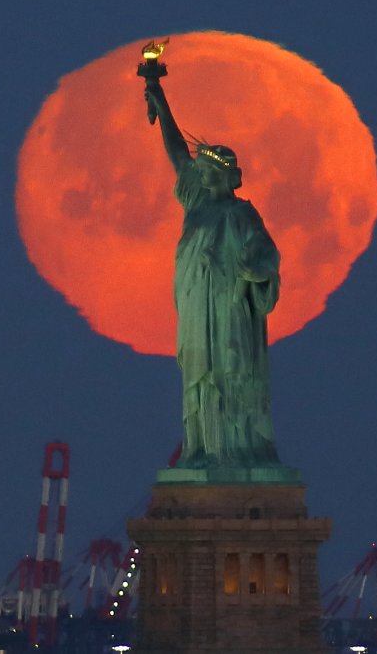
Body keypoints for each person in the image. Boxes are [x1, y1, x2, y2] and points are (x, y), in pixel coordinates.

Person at [143, 76, 282, 468]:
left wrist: (254, 270)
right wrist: (159, 96)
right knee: (198, 377)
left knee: (229, 372)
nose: (198, 175)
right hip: (193, 308)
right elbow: (176, 155)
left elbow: (266, 257)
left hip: (227, 311)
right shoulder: (196, 205)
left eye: (206, 171)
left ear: (221, 175)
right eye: (200, 171)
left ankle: (233, 450)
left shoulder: (241, 214)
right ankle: (201, 448)